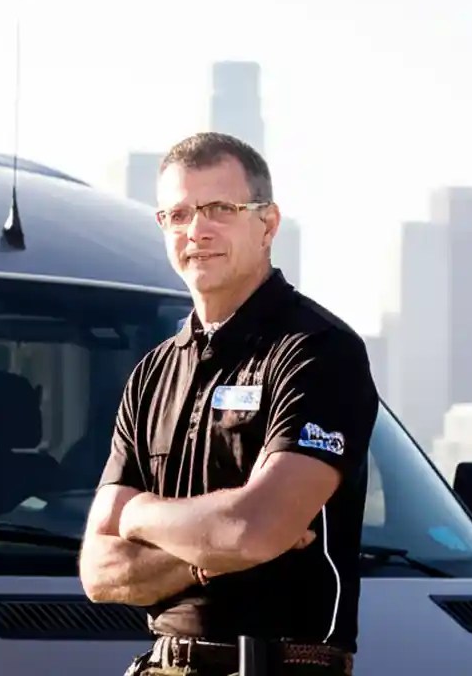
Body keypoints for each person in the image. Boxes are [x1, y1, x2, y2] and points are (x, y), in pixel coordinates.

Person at [78, 132, 379, 676]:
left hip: (283, 666)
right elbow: (100, 571)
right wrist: (206, 559)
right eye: (179, 213)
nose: (197, 230)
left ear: (267, 223)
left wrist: (140, 513)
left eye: (220, 208)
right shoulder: (152, 373)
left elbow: (254, 529)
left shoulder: (318, 351)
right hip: (163, 665)